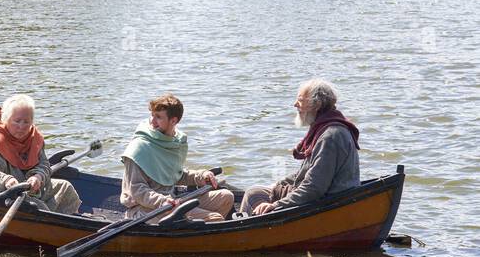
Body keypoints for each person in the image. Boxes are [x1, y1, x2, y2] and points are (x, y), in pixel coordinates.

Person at [242, 79, 360, 216]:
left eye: (300, 101)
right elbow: (309, 172)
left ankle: (244, 234)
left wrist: (275, 205)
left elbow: (314, 188)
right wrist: (278, 184)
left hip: (327, 204)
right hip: (325, 197)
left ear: (316, 105)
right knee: (255, 191)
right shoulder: (326, 129)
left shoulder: (330, 137)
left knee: (253, 195)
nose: (295, 105)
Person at [120, 94, 233, 222]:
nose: (152, 120)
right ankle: (196, 236)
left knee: (226, 197)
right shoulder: (138, 148)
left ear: (173, 121)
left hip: (172, 201)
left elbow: (175, 175)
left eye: (158, 117)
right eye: (152, 115)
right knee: (214, 219)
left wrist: (201, 176)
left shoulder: (174, 142)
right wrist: (162, 201)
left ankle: (191, 237)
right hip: (145, 209)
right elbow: (137, 190)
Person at [0, 95, 82, 215]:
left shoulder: (34, 138)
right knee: (38, 207)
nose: (21, 127)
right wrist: (6, 180)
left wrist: (38, 177)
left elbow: (44, 164)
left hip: (25, 186)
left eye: (26, 122)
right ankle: (50, 228)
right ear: (6, 120)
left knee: (65, 187)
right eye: (17, 121)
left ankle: (74, 220)